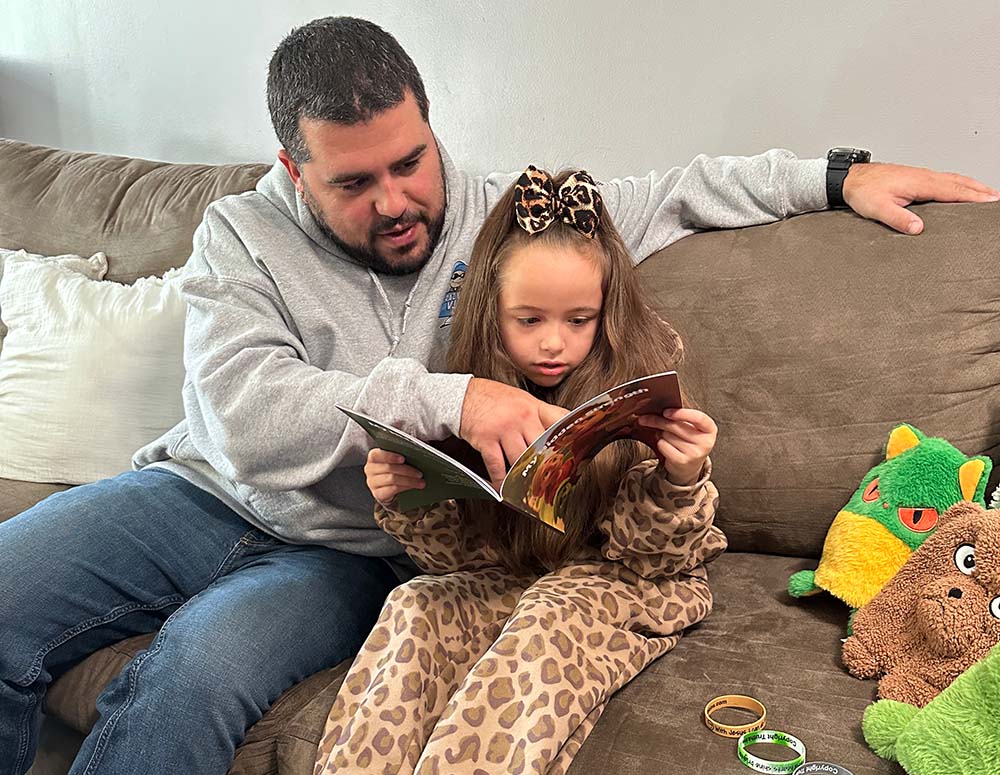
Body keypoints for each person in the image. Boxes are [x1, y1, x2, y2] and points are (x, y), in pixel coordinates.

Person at [0, 15, 996, 775]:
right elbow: (246, 413)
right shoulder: (239, 236)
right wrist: (453, 399)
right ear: (291, 171)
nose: (394, 201)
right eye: (353, 183)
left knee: (195, 673)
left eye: (410, 160)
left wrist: (841, 172)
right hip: (196, 494)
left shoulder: (504, 221)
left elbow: (684, 189)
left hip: (350, 552)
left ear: (433, 127)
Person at [314, 166, 727, 775]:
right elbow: (455, 563)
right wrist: (410, 500)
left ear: (606, 314)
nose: (554, 343)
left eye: (578, 320)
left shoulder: (634, 385)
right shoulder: (473, 395)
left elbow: (656, 560)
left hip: (626, 580)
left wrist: (679, 481)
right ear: (492, 312)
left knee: (548, 620)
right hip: (512, 575)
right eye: (529, 320)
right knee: (415, 604)